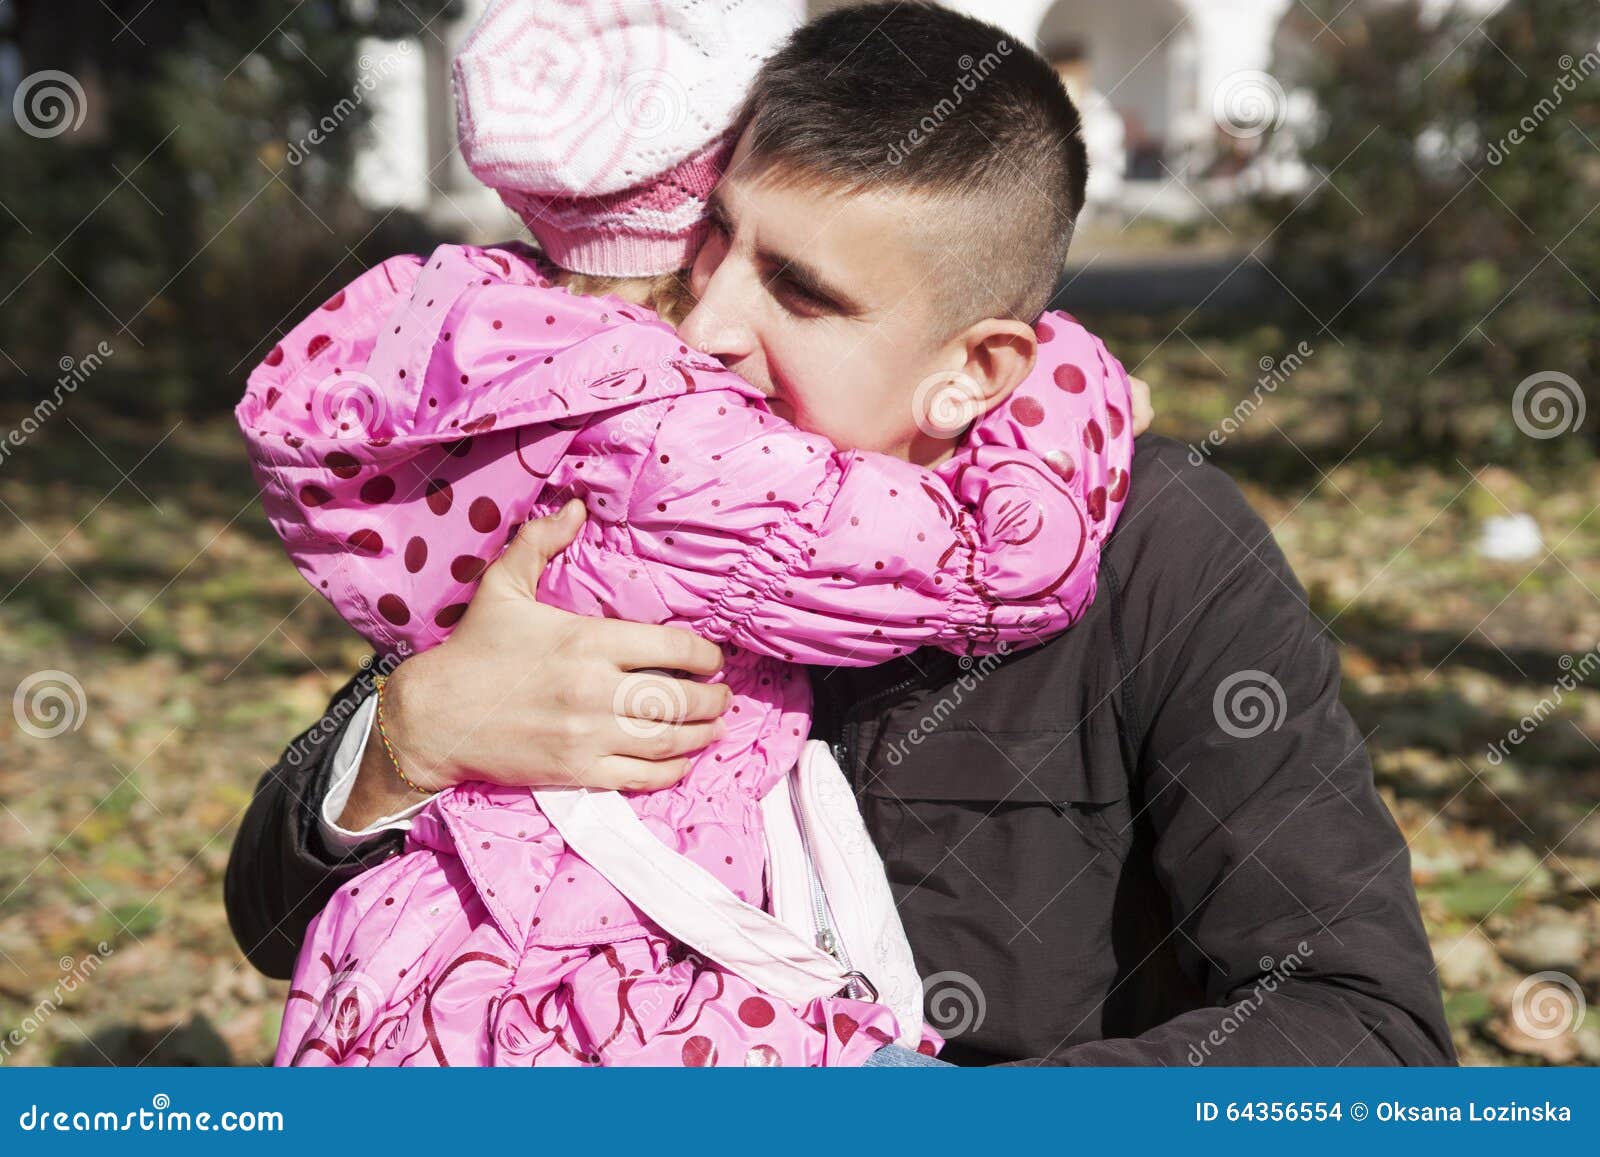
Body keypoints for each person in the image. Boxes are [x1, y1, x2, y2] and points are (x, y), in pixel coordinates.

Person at [227, 2, 1456, 1066]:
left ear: (975, 370)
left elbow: (1365, 1029)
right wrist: (407, 738)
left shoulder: (1157, 549)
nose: (706, 324)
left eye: (801, 291)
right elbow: (273, 917)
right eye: (713, 244)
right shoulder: (620, 473)